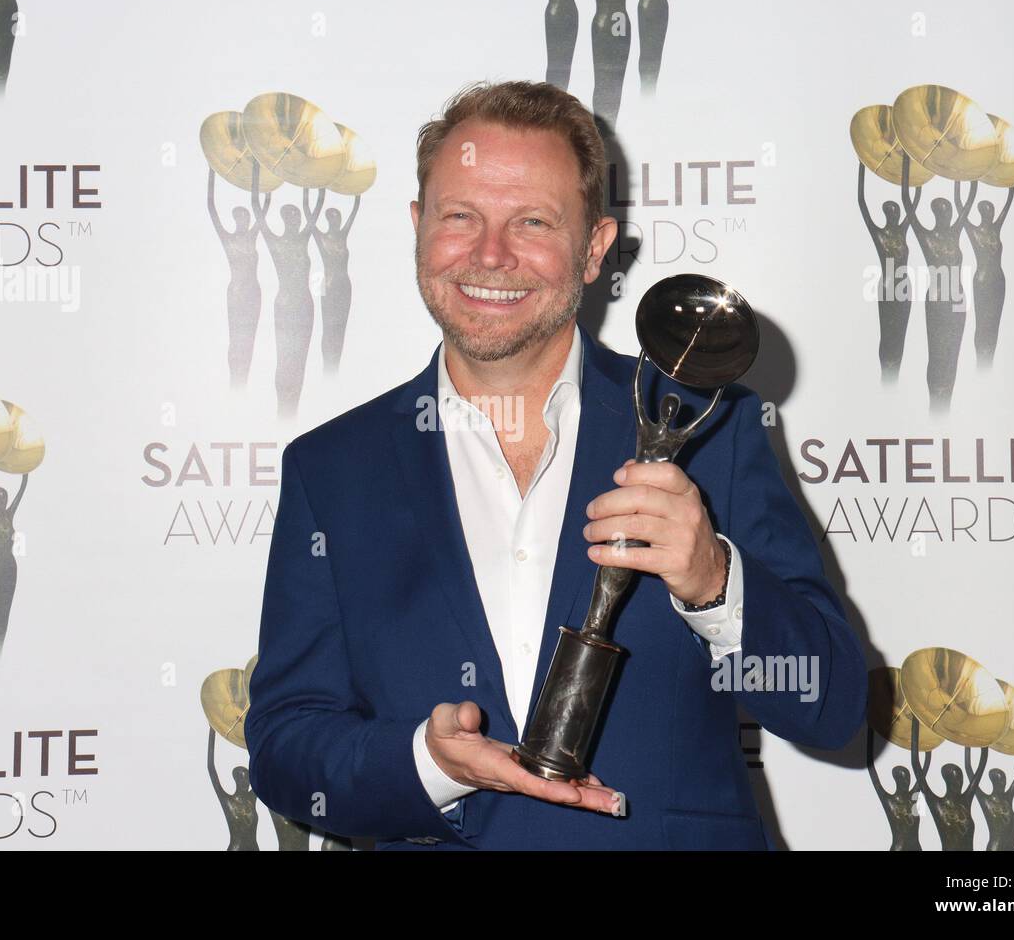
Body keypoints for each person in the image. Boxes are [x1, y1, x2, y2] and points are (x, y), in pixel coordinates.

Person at [245, 79, 867, 850]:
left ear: (594, 249)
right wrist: (427, 766)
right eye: (459, 216)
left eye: (532, 221)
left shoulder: (710, 423)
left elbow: (834, 705)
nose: (490, 254)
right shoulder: (332, 470)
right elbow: (285, 746)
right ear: (417, 226)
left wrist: (714, 580)